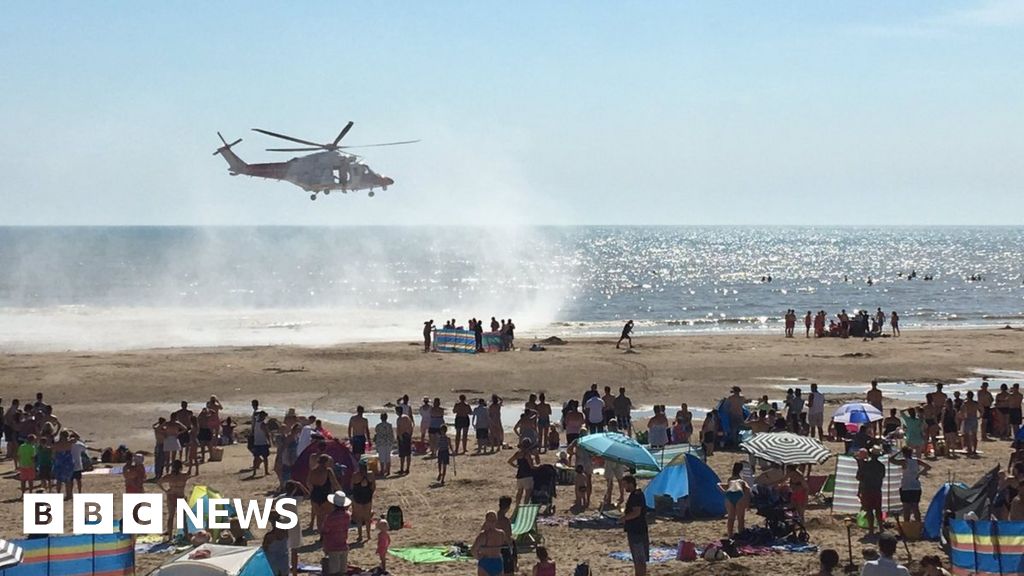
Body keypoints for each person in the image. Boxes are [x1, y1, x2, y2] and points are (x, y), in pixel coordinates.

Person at [621, 475, 649, 576]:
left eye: (625, 485)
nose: (624, 488)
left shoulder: (636, 495)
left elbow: (636, 512)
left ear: (630, 484)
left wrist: (624, 518)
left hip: (637, 530)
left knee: (639, 558)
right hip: (637, 529)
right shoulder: (635, 494)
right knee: (638, 558)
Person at [895, 446, 931, 523]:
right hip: (915, 487)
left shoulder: (904, 461)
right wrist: (920, 473)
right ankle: (918, 525)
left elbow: (891, 460)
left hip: (906, 487)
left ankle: (907, 525)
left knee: (906, 508)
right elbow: (928, 467)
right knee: (915, 508)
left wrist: (898, 452)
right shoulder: (916, 461)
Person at [306, 454, 341, 533]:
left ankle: (321, 534)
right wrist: (340, 491)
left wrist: (312, 490)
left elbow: (308, 482)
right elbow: (334, 483)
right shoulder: (328, 471)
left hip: (315, 495)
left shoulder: (313, 471)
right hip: (326, 496)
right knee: (329, 516)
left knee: (319, 517)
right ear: (326, 462)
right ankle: (328, 534)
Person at [157, 460, 192, 538]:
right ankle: (186, 534)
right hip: (180, 496)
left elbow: (159, 482)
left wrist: (166, 490)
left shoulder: (169, 476)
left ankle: (170, 536)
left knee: (171, 516)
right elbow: (192, 473)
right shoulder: (184, 476)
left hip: (171, 496)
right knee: (183, 518)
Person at [321, 490, 351, 576]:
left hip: (332, 546)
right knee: (343, 571)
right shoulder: (347, 515)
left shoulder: (330, 517)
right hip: (343, 544)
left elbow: (325, 532)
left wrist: (324, 546)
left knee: (334, 571)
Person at [857, 448, 886, 534]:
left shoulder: (866, 465)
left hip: (867, 489)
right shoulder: (881, 466)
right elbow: (882, 476)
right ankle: (880, 527)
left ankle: (871, 529)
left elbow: (859, 477)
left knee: (869, 510)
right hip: (877, 489)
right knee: (878, 509)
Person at [719, 462, 751, 537]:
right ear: (741, 471)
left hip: (729, 494)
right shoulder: (742, 481)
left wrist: (723, 492)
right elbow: (748, 489)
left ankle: (730, 535)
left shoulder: (730, 479)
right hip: (739, 494)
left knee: (731, 517)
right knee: (740, 518)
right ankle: (741, 534)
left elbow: (721, 485)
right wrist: (748, 503)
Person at [471, 511, 507, 576]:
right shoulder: (501, 534)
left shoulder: (483, 535)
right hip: (497, 561)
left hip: (486, 561)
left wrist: (478, 557)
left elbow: (473, 550)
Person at [350, 462, 375, 542]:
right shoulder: (370, 475)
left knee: (359, 518)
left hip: (358, 498)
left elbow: (351, 487)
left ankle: (360, 536)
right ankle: (368, 535)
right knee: (367, 518)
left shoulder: (355, 475)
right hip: (367, 497)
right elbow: (373, 487)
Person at [509, 439, 538, 505]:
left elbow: (510, 461)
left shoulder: (518, 453)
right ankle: (525, 506)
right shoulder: (527, 454)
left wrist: (516, 466)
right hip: (527, 475)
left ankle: (517, 505)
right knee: (527, 493)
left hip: (520, 475)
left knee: (519, 492)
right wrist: (539, 467)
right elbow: (531, 466)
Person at [262, 511, 290, 576]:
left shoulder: (269, 536)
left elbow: (264, 550)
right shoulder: (286, 533)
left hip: (273, 565)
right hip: (284, 564)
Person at [959, 391, 981, 457]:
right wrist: (979, 416)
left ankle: (970, 449)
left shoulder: (966, 403)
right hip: (974, 418)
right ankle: (974, 450)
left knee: (967, 435)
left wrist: (962, 417)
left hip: (968, 418)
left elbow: (961, 411)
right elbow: (981, 410)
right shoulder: (975, 403)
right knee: (974, 435)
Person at [250, 411, 271, 478]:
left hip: (256, 442)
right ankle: (266, 471)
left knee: (256, 458)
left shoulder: (256, 423)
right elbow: (267, 434)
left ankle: (254, 472)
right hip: (263, 443)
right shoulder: (263, 424)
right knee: (265, 458)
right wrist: (270, 442)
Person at [396, 405, 413, 474]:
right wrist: (410, 434)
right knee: (408, 453)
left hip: (402, 436)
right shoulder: (407, 417)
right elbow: (411, 426)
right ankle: (407, 468)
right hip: (407, 435)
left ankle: (402, 468)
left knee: (402, 454)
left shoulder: (399, 419)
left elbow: (399, 429)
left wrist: (400, 437)